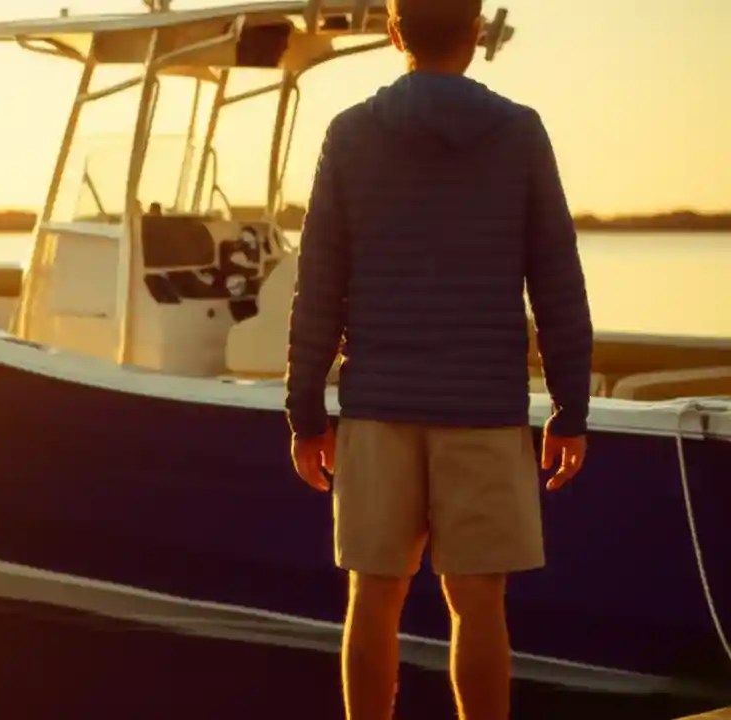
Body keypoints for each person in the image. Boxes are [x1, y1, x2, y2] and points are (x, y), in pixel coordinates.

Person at [284, 1, 594, 719]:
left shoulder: (352, 134)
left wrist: (305, 414)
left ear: (395, 34)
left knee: (373, 597)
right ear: (477, 33)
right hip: (484, 410)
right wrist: (570, 411)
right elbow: (557, 280)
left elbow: (318, 288)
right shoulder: (520, 133)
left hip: (378, 407)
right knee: (479, 604)